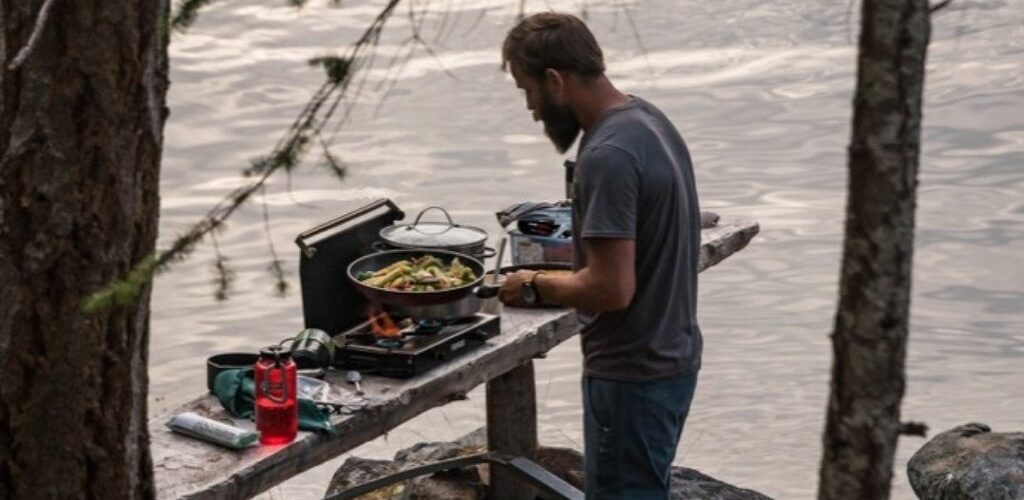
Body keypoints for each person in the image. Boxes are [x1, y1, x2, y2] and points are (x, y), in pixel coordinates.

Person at [497, 12, 703, 499]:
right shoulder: (645, 119)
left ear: (555, 80)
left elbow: (611, 289)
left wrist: (531, 283)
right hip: (671, 357)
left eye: (528, 92)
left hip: (632, 376)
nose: (530, 108)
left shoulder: (607, 154)